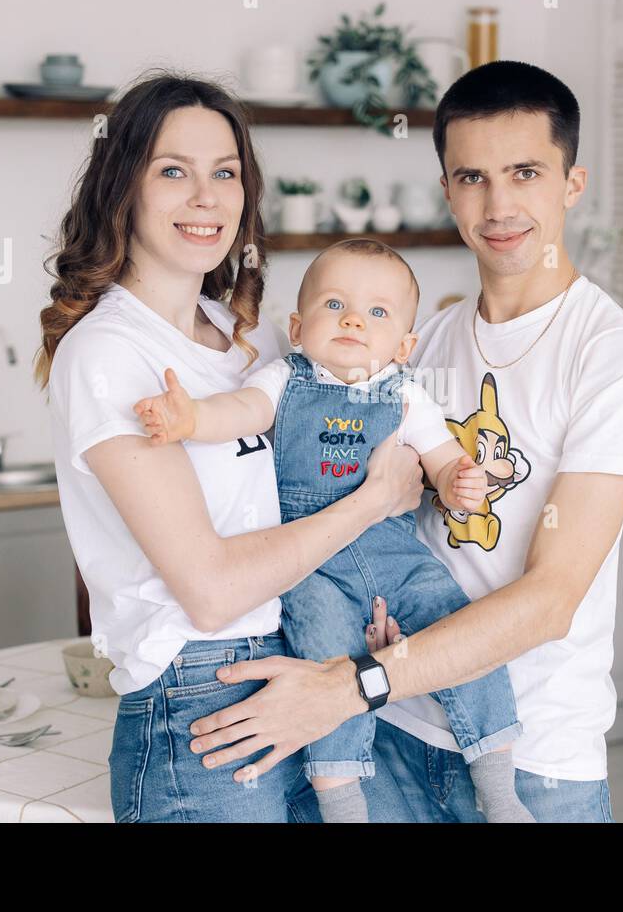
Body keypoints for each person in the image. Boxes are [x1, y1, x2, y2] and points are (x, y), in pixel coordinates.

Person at [185, 60, 623, 822]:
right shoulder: (417, 341)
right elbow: (389, 517)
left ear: (571, 184)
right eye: (473, 177)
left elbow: (550, 601)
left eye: (525, 172)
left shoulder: (614, 358)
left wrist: (354, 684)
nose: (500, 203)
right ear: (447, 191)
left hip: (532, 761)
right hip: (392, 739)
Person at [35, 72, 421, 822]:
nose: (206, 197)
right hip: (199, 707)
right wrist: (377, 501)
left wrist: (368, 602)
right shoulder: (108, 354)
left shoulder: (253, 339)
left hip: (304, 669)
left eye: (226, 172)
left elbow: (313, 491)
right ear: (124, 187)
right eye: (173, 171)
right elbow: (209, 589)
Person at [133, 237, 534, 822]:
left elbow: (445, 459)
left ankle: (498, 788)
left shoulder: (407, 395)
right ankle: (343, 803)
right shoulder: (282, 379)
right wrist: (191, 417)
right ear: (297, 327)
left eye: (377, 312)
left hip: (396, 555)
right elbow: (240, 411)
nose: (352, 319)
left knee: (457, 626)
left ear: (404, 345)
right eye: (334, 304)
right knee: (325, 667)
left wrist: (457, 484)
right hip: (309, 563)